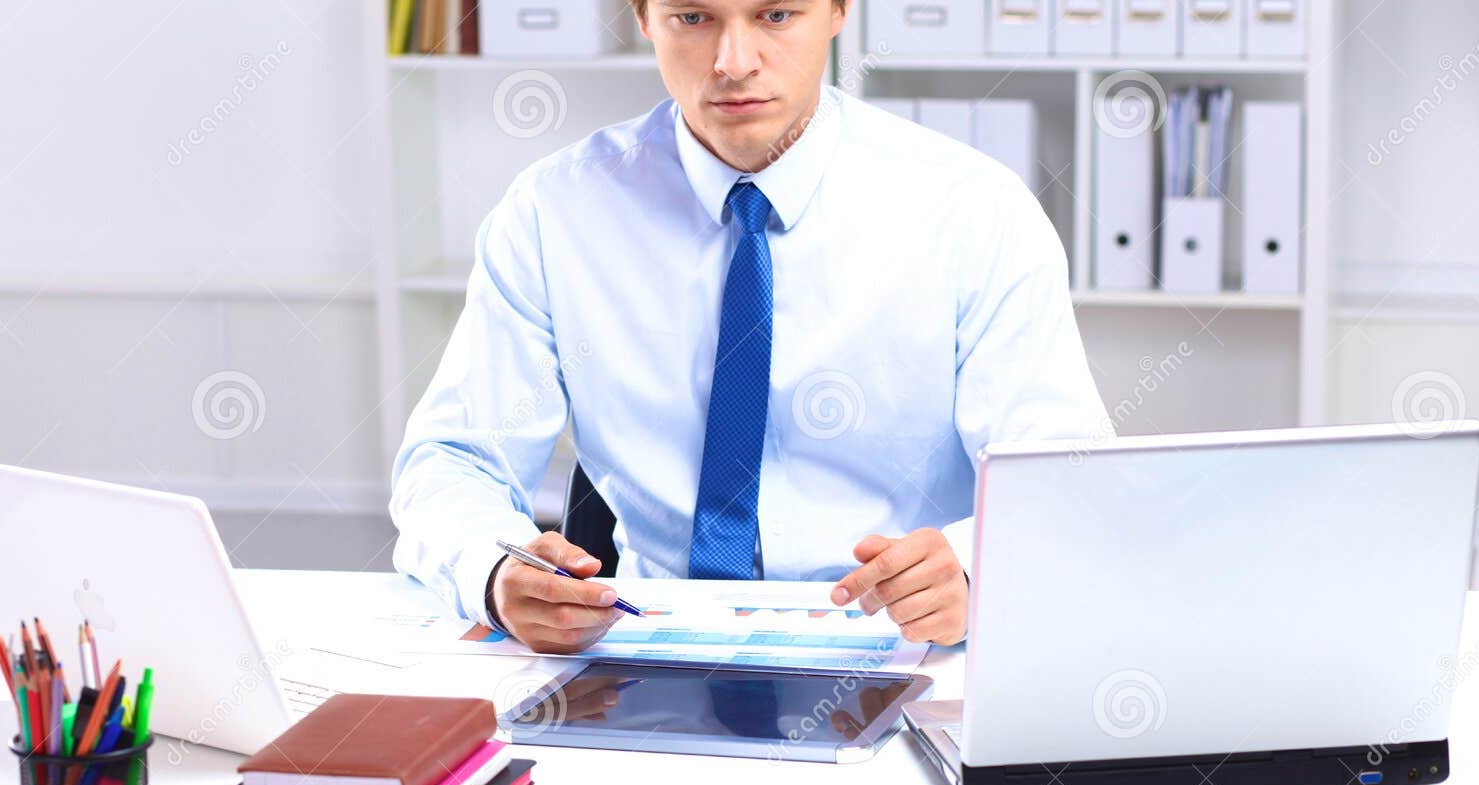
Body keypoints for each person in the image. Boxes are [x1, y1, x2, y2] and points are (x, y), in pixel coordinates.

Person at [390, 0, 1110, 655]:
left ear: (837, 10)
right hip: (647, 647)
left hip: (900, 647)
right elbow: (453, 460)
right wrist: (492, 570)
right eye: (694, 19)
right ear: (643, 16)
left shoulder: (973, 211)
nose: (733, 63)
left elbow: (1066, 474)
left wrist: (974, 571)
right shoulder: (554, 213)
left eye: (774, 15)